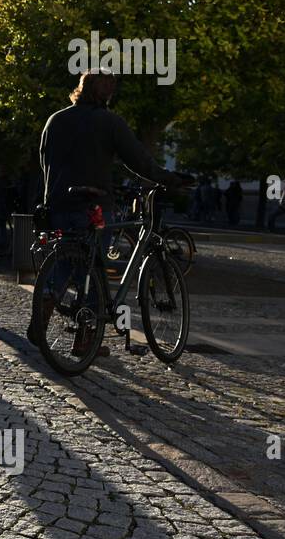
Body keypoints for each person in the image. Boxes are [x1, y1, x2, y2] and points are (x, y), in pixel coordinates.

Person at [34, 71, 187, 346]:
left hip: (58, 202)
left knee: (64, 264)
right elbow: (138, 160)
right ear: (106, 94)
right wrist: (170, 179)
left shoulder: (55, 120)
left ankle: (41, 316)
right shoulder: (109, 121)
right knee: (95, 270)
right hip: (94, 206)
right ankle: (87, 339)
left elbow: (45, 161)